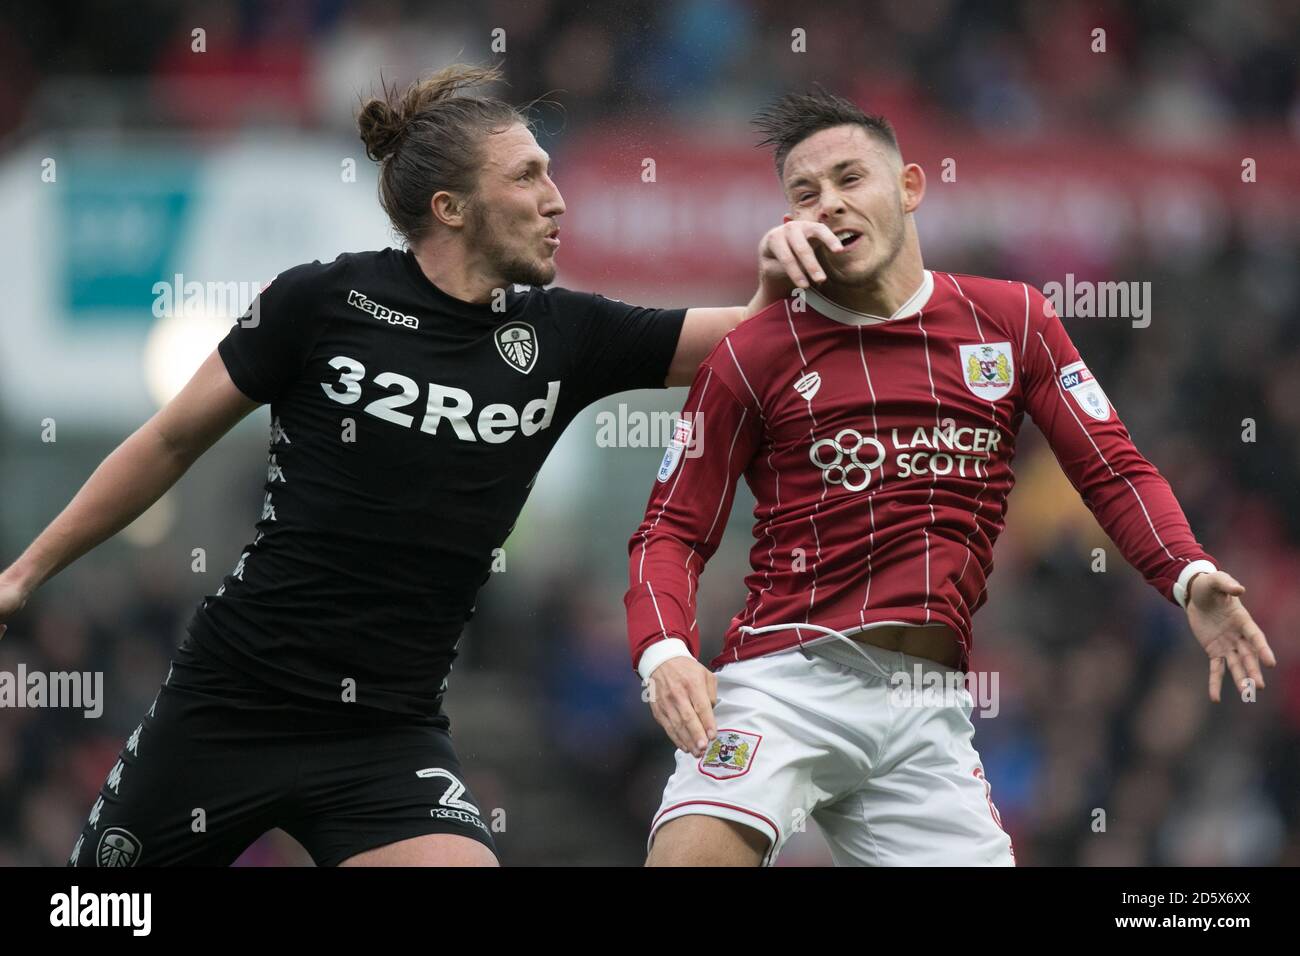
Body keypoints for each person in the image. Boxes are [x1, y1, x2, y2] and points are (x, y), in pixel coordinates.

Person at [0, 63, 824, 867]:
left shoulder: (567, 336)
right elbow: (169, 440)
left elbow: (748, 344)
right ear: (451, 207)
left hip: (386, 735)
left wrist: (775, 280)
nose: (556, 197)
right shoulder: (319, 301)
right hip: (232, 702)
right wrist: (24, 574)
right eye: (529, 176)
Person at [625, 88, 1277, 867]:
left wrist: (1189, 571)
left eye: (849, 179)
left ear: (909, 188)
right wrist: (664, 651)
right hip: (783, 683)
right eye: (806, 193)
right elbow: (669, 529)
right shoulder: (753, 352)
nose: (829, 204)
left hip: (925, 709)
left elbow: (1112, 469)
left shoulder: (1013, 320)